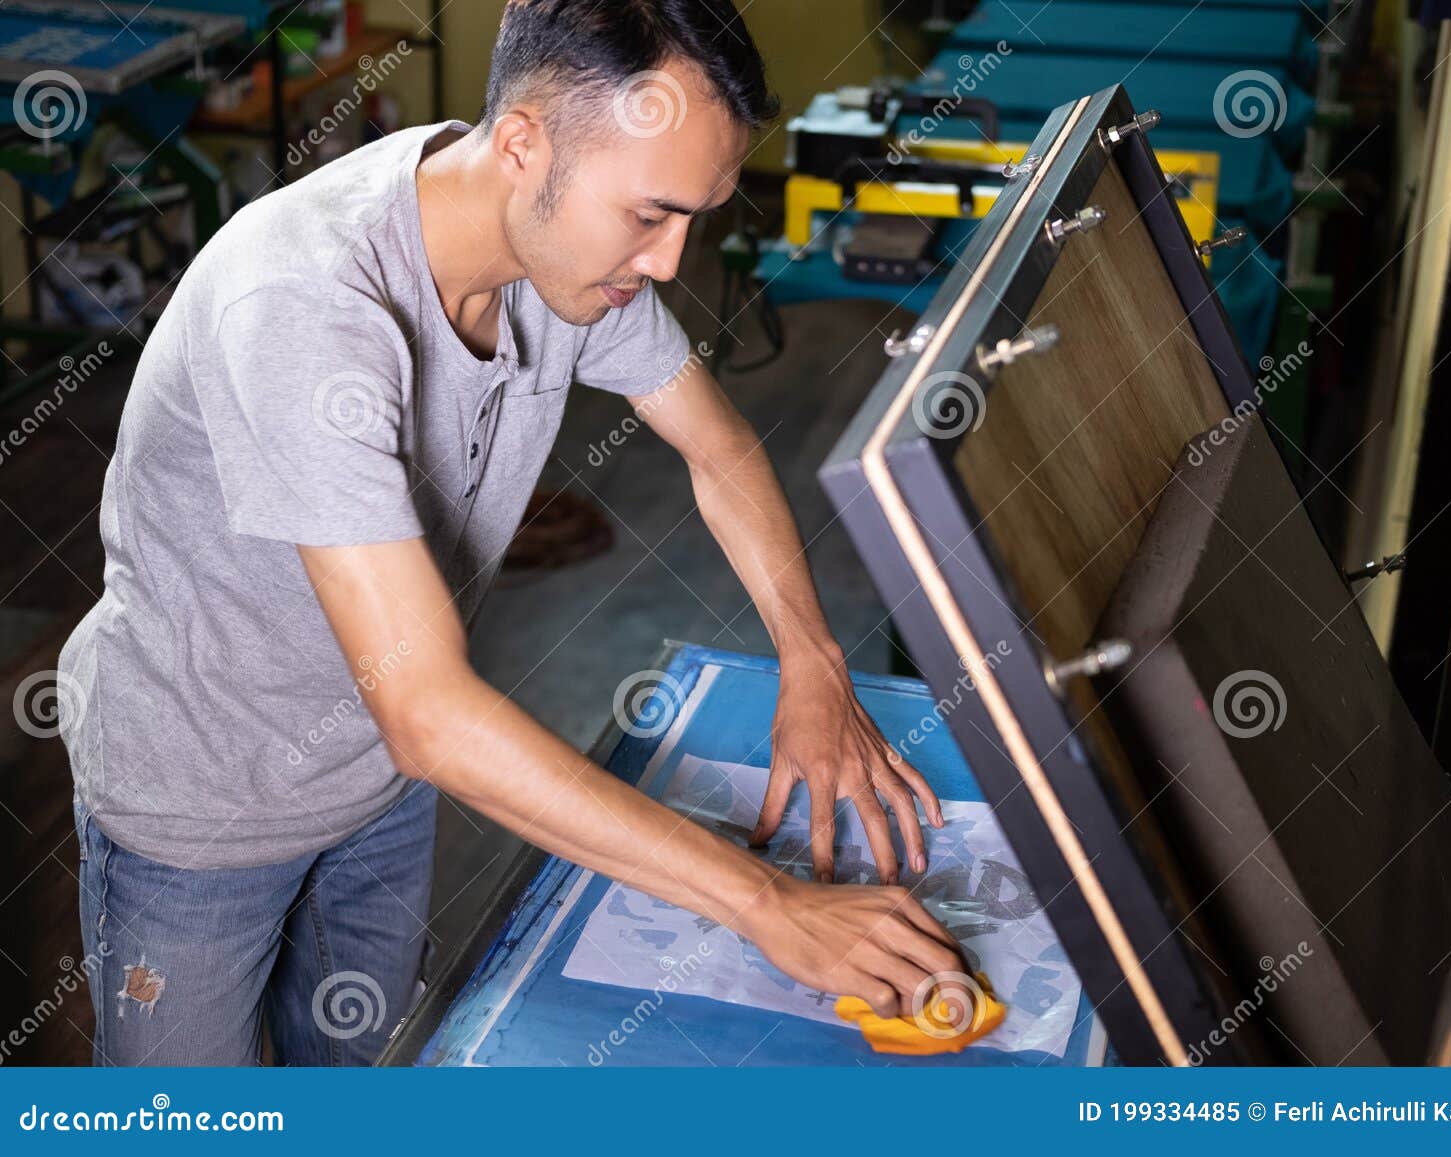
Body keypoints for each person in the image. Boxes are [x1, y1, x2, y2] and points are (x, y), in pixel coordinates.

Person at [60, 0, 965, 1066]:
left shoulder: (561, 244)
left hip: (378, 790)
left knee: (353, 1076)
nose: (671, 263)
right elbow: (429, 712)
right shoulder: (307, 307)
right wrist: (766, 901)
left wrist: (813, 663)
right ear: (526, 144)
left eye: (696, 218)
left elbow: (719, 450)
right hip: (202, 812)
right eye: (650, 216)